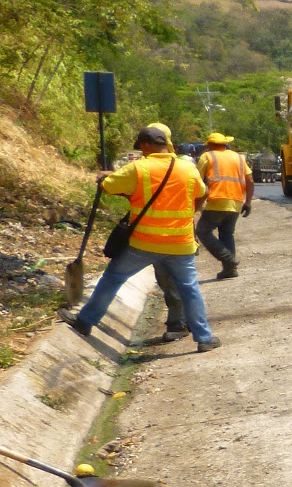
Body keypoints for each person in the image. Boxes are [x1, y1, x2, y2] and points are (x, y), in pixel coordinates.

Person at [60, 124, 220, 352]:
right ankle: (204, 338)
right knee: (190, 289)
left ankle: (85, 321)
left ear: (146, 145)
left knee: (113, 277)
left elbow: (109, 186)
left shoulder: (138, 168)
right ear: (166, 144)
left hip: (144, 243)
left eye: (141, 147)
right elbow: (201, 193)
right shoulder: (188, 168)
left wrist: (108, 178)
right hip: (180, 243)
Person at [196, 131, 253, 279]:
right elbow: (250, 181)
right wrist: (248, 202)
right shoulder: (239, 157)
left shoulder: (207, 156)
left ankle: (229, 260)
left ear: (210, 145)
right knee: (227, 234)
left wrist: (196, 202)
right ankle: (230, 270)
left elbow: (195, 180)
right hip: (236, 202)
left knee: (203, 231)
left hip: (217, 200)